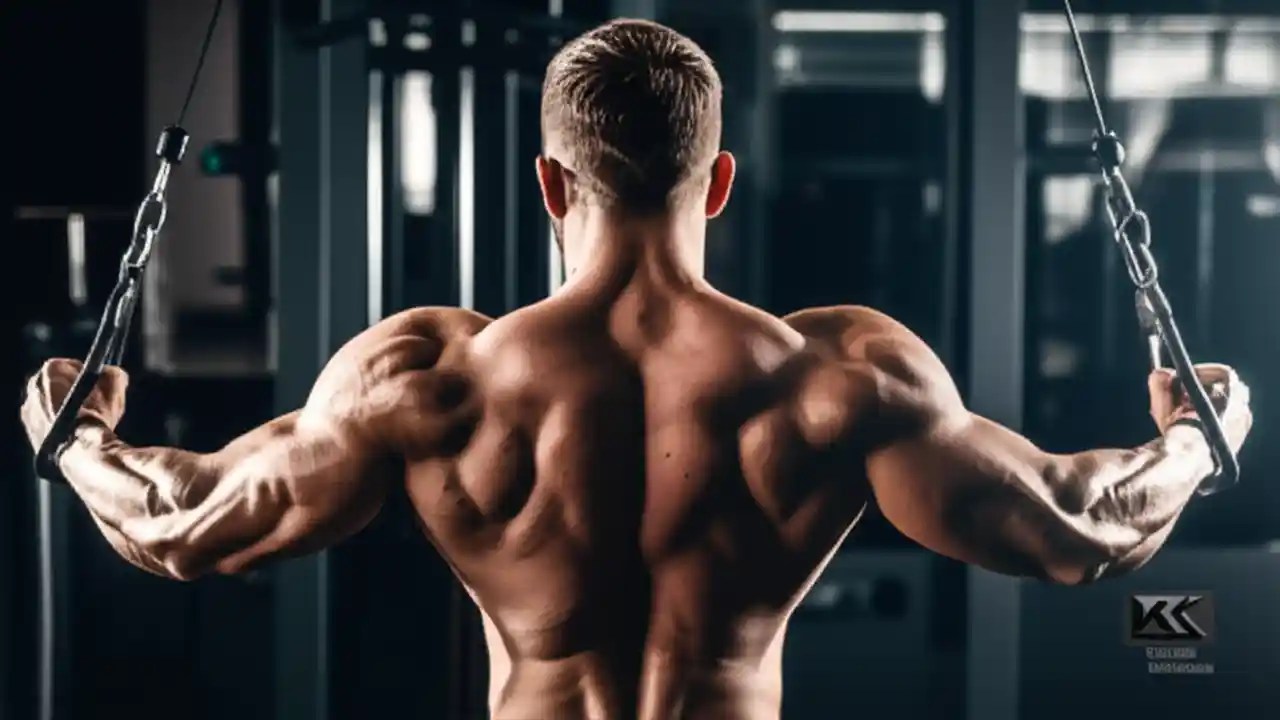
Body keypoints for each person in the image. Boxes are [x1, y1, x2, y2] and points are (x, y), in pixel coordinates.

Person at [20, 18, 1252, 720]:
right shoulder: (835, 376)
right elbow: (1078, 530)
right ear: (718, 180)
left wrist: (75, 433)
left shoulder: (430, 380)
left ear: (548, 183)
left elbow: (182, 527)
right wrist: (1197, 433)